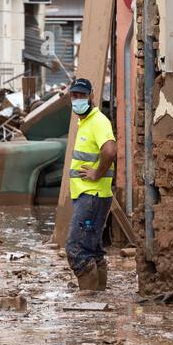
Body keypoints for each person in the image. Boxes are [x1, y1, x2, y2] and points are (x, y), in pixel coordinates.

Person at [65, 78, 117, 291]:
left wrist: (97, 172)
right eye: (74, 96)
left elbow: (110, 150)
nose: (77, 100)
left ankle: (88, 299)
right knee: (93, 249)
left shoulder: (98, 121)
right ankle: (98, 300)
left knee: (76, 249)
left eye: (82, 96)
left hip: (92, 196)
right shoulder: (85, 122)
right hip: (90, 196)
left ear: (92, 96)